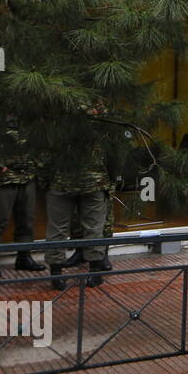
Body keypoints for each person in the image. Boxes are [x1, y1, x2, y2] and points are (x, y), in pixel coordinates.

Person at [44, 107, 113, 290]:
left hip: (64, 182)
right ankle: (93, 272)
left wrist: (46, 179)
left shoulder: (58, 114)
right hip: (91, 181)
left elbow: (44, 152)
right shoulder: (100, 117)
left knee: (58, 230)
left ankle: (57, 275)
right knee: (93, 228)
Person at [0, 117, 42, 276]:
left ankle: (24, 257)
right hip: (4, 179)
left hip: (27, 177)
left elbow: (40, 144)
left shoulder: (31, 118)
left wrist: (37, 165)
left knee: (27, 220)